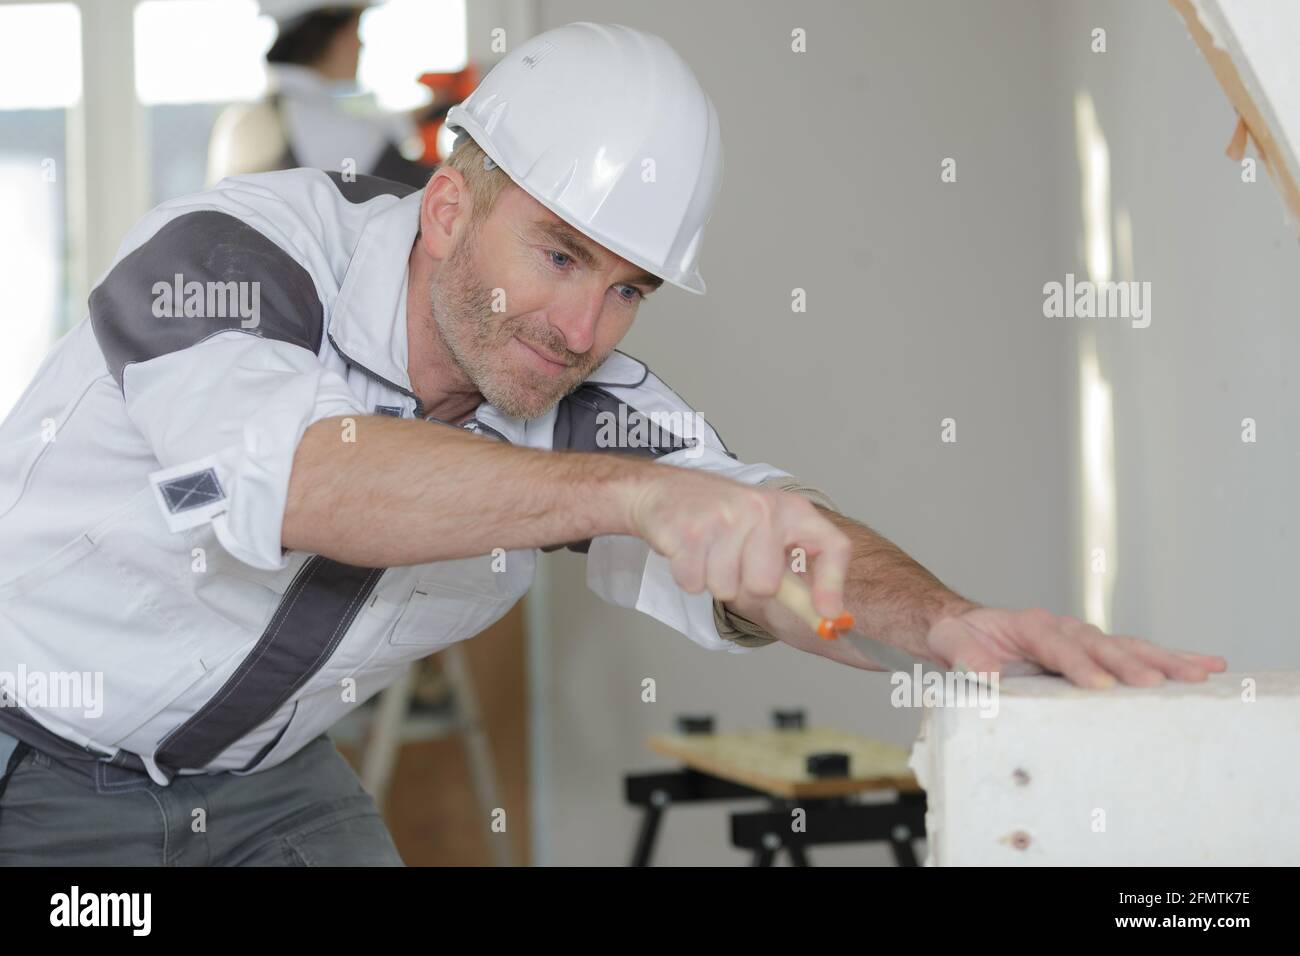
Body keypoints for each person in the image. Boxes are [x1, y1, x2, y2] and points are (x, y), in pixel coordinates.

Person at [0, 22, 1225, 866]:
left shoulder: (569, 396)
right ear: (446, 209)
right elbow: (310, 478)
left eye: (629, 288)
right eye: (559, 254)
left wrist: (940, 622)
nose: (583, 327)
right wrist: (640, 495)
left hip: (264, 787)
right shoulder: (230, 263)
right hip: (34, 759)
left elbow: (758, 524)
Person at [206, 0, 433, 188]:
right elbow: (425, 190)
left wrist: (423, 113)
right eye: (356, 30)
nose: (361, 44)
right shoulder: (318, 124)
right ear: (331, 35)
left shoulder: (256, 115)